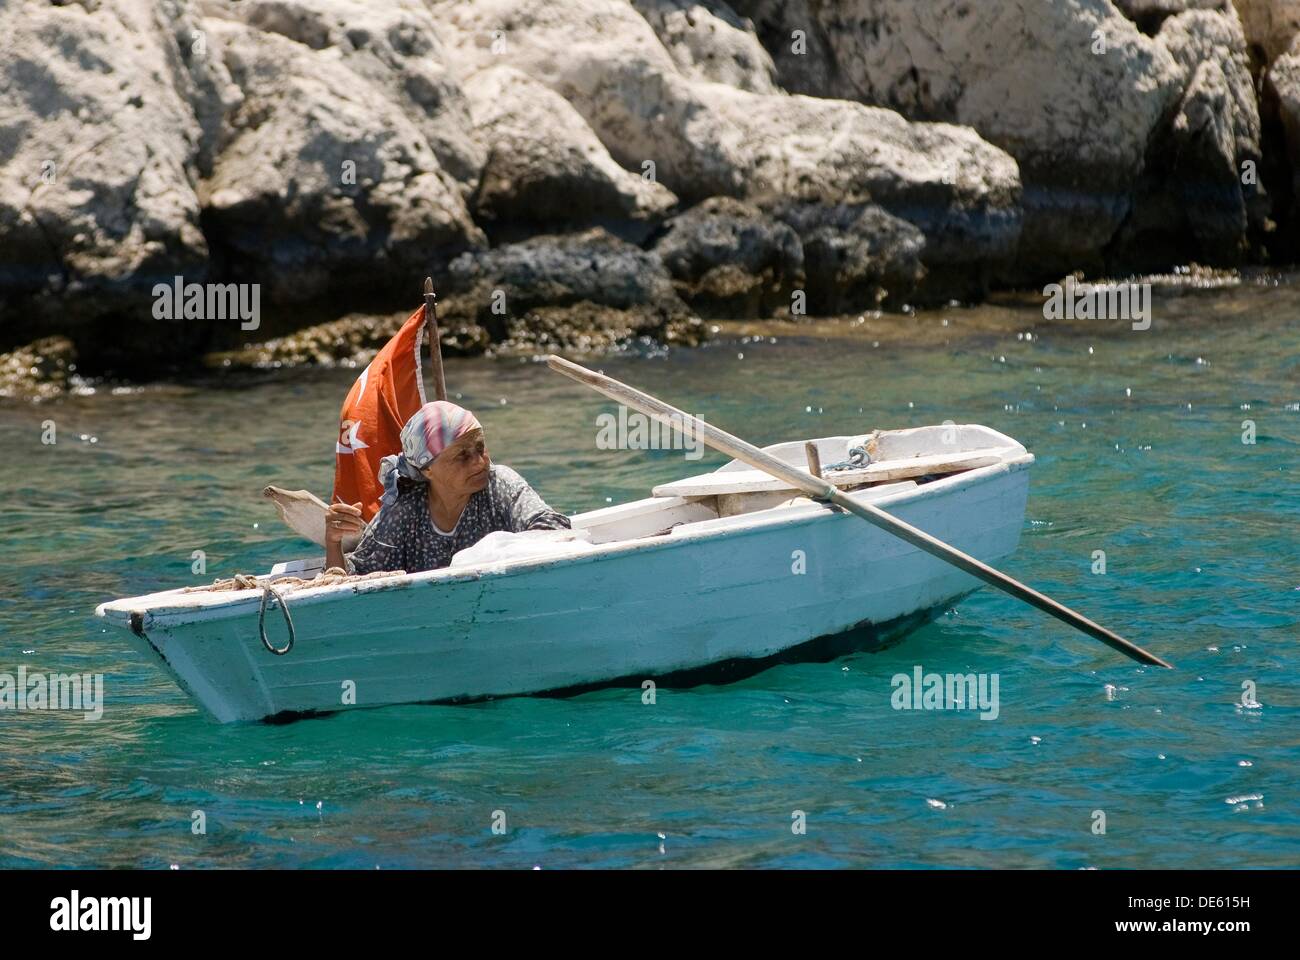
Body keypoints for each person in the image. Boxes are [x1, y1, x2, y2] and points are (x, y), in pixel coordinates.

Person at [324, 400, 570, 574]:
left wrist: (491, 553)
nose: (479, 462)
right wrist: (333, 542)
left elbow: (552, 529)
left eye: (481, 447)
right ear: (427, 469)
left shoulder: (499, 485)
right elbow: (359, 576)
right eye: (461, 456)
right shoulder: (405, 508)